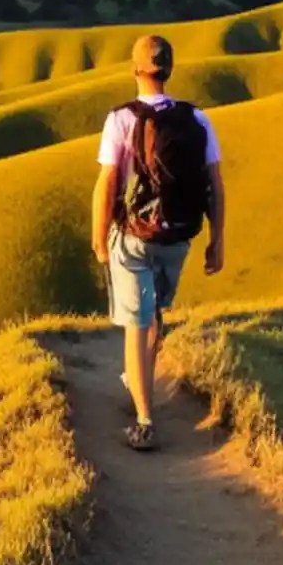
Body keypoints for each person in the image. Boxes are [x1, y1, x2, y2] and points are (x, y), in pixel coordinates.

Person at [91, 35, 226, 451]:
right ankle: (140, 380)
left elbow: (108, 181)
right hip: (178, 235)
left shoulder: (121, 119)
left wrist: (98, 237)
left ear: (136, 69)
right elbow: (214, 185)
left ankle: (145, 420)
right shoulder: (198, 120)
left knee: (138, 321)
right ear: (168, 70)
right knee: (154, 315)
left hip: (133, 235)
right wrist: (217, 240)